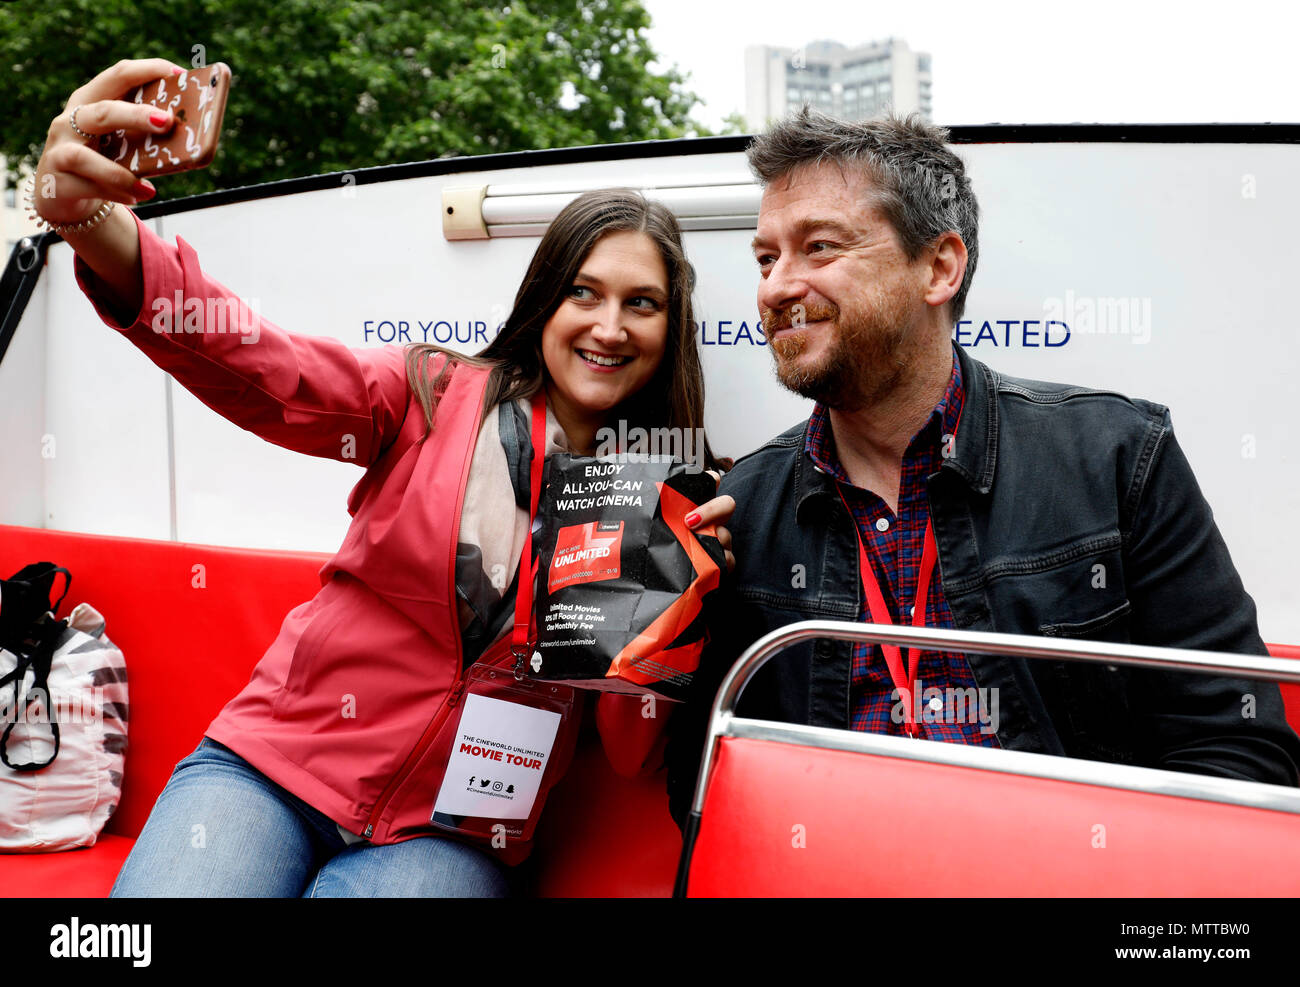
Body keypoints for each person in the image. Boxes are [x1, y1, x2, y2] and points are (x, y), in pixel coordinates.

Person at [32, 58, 734, 897]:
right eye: (584, 292)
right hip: (271, 770)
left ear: (669, 325)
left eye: (641, 302)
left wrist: (677, 608)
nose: (609, 327)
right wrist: (90, 222)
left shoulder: (668, 494)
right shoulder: (431, 392)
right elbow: (262, 365)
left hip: (452, 836)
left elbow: (625, 751)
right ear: (545, 299)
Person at [666, 107, 1300, 826]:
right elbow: (703, 781)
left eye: (819, 248)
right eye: (765, 259)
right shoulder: (742, 508)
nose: (776, 287)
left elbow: (1237, 749)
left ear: (939, 267)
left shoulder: (1118, 457)